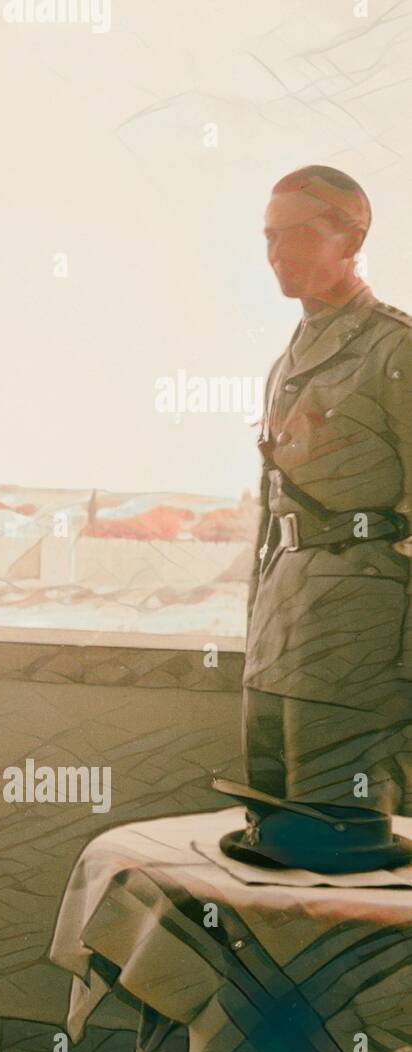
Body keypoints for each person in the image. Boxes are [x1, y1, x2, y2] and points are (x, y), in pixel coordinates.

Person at [238, 165, 412, 834]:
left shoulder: (394, 348)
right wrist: (256, 631)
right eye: (271, 237)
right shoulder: (287, 362)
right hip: (279, 636)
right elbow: (271, 517)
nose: (281, 254)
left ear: (353, 237)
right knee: (270, 841)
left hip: (359, 646)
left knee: (334, 851)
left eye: (303, 235)